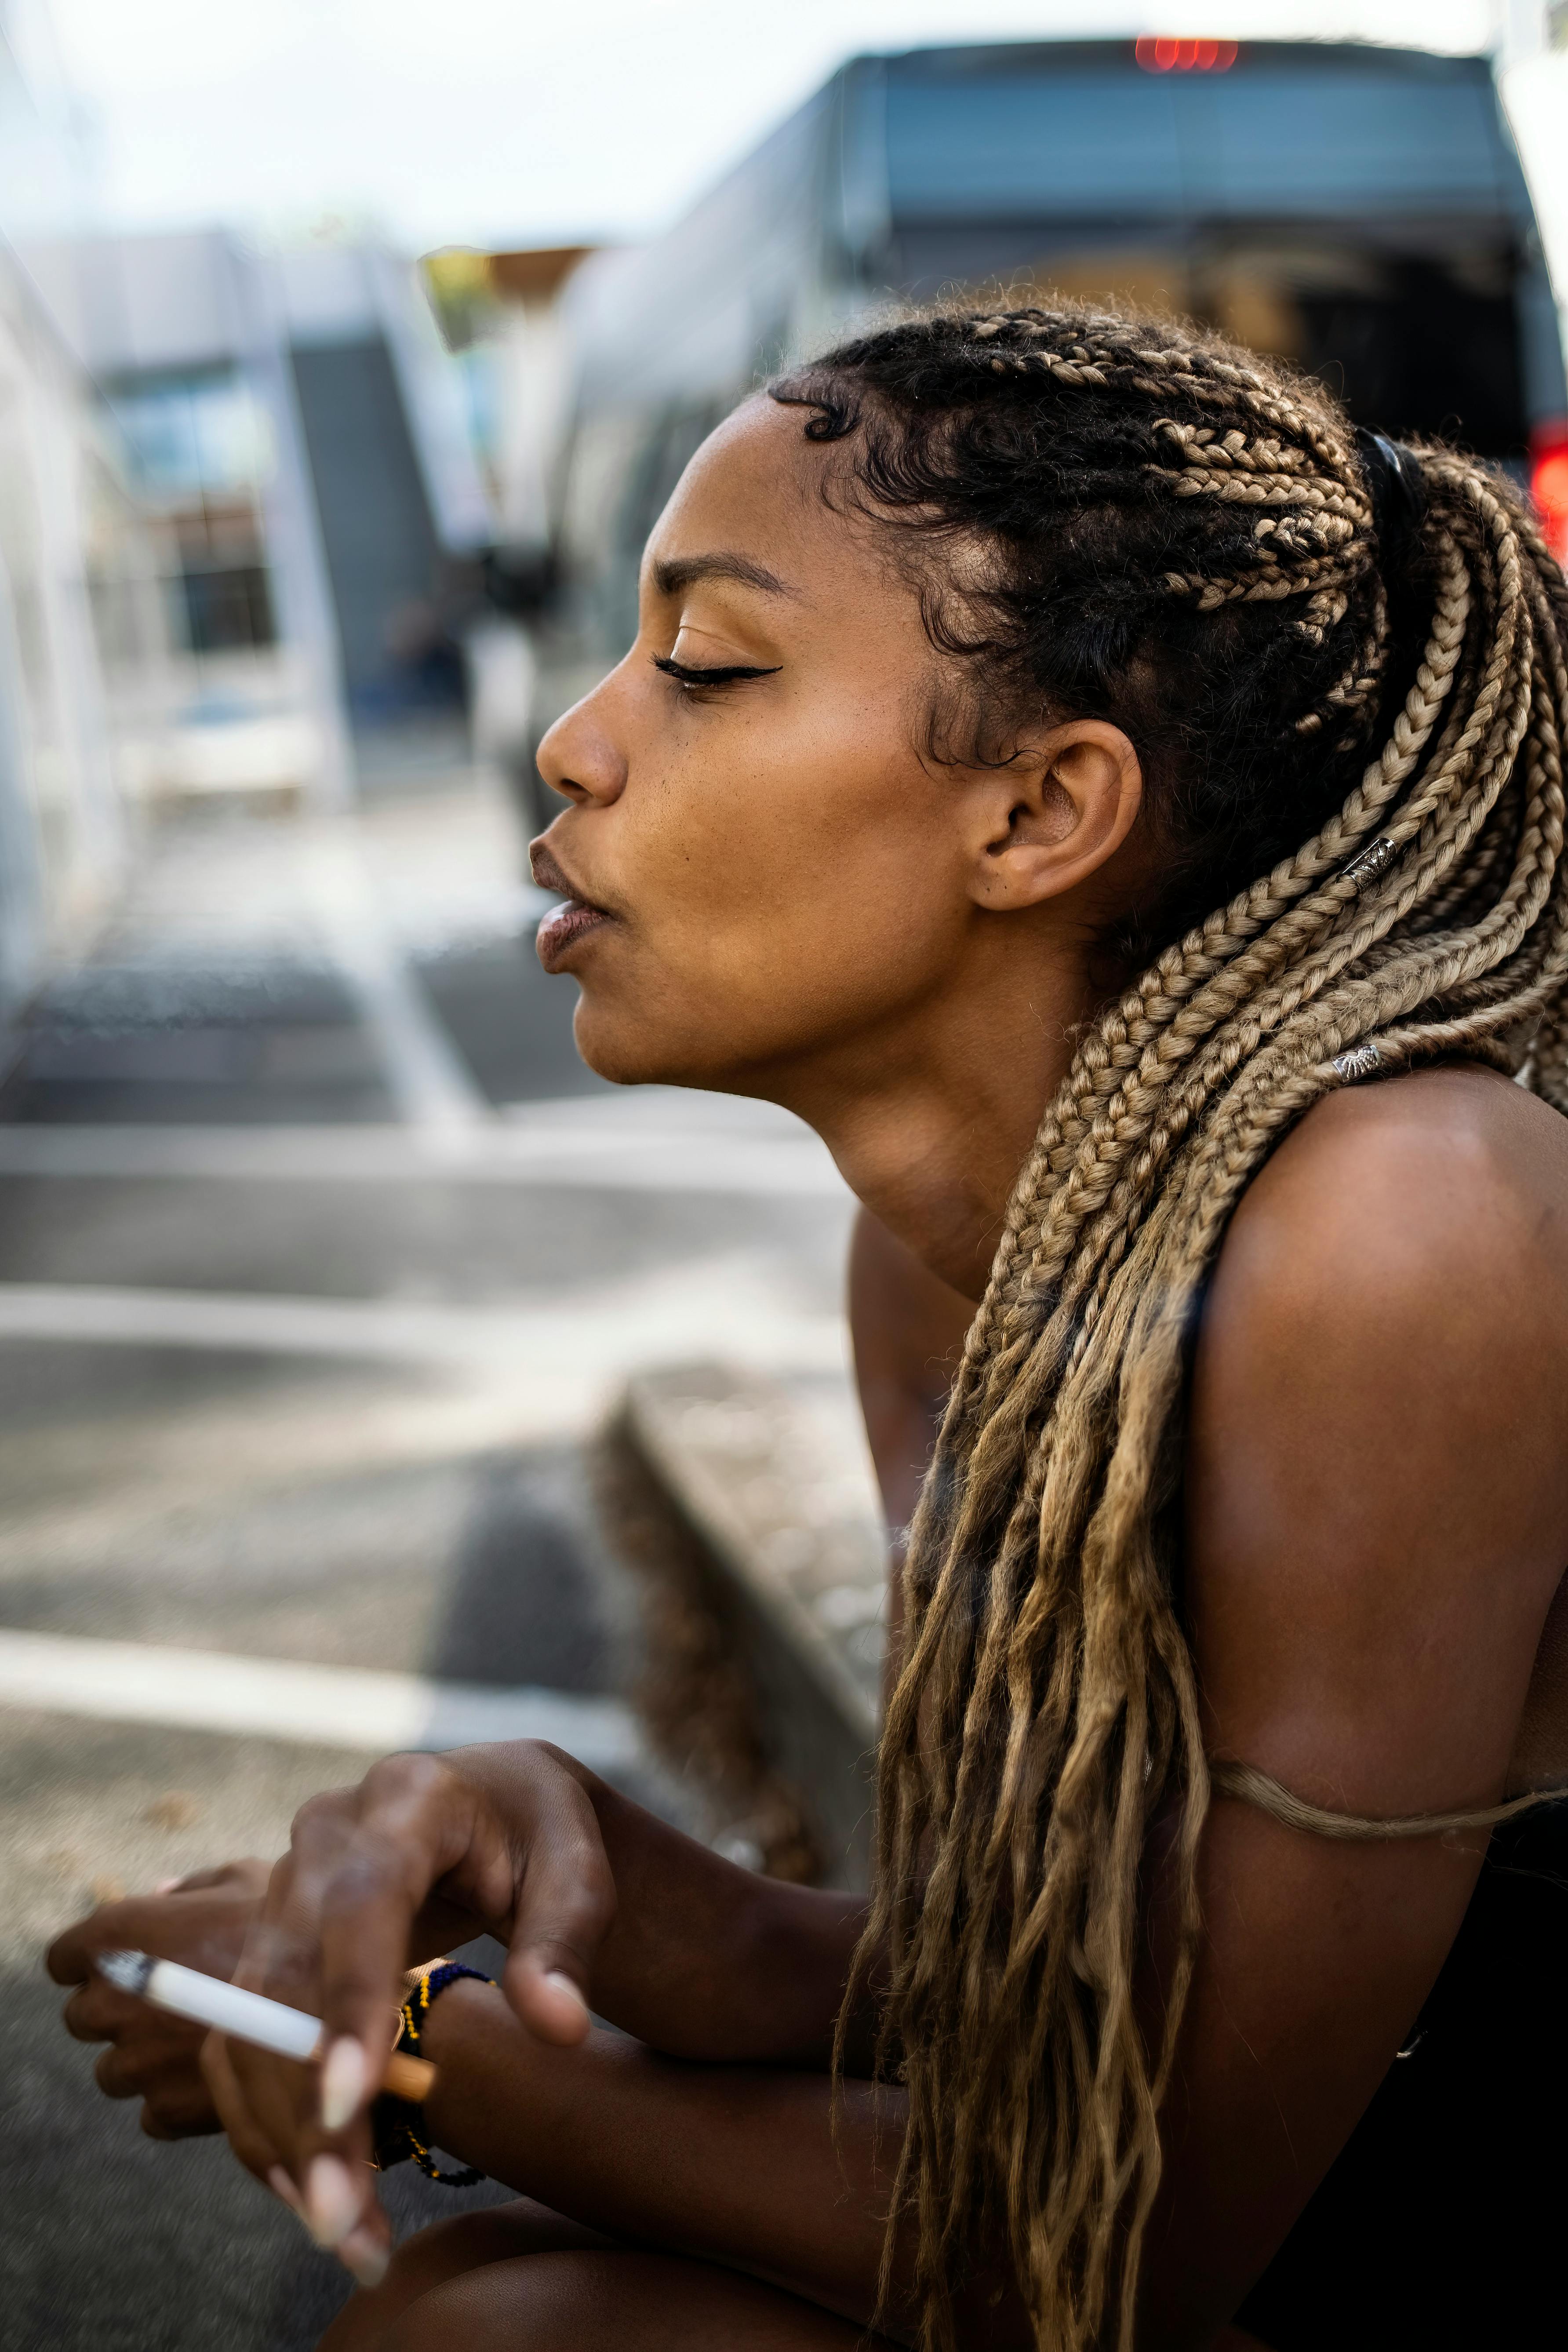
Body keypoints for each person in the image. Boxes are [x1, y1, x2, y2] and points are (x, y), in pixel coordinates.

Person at [49, 303, 1568, 2352]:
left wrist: (422, 2056)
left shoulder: (1412, 1222)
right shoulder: (936, 1263)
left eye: (704, 663)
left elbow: (1116, 2252)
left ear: (1037, 811)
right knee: (489, 2298)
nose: (576, 743)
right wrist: (551, 1853)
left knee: (494, 2331)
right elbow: (1019, 1992)